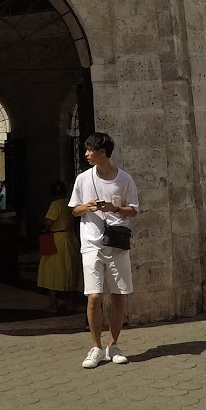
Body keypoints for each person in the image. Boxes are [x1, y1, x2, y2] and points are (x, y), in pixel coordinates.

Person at [70, 131, 139, 368]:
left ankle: (114, 344)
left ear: (102, 153)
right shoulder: (83, 179)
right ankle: (96, 347)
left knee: (119, 295)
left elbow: (134, 210)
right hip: (91, 243)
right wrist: (85, 207)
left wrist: (114, 208)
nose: (87, 154)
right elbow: (74, 210)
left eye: (90, 150)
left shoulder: (124, 179)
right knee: (94, 296)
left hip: (117, 244)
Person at [36, 179, 76, 314]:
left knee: (51, 272)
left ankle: (53, 304)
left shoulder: (55, 205)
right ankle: (70, 304)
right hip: (70, 238)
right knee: (69, 271)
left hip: (57, 239)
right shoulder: (70, 203)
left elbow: (48, 222)